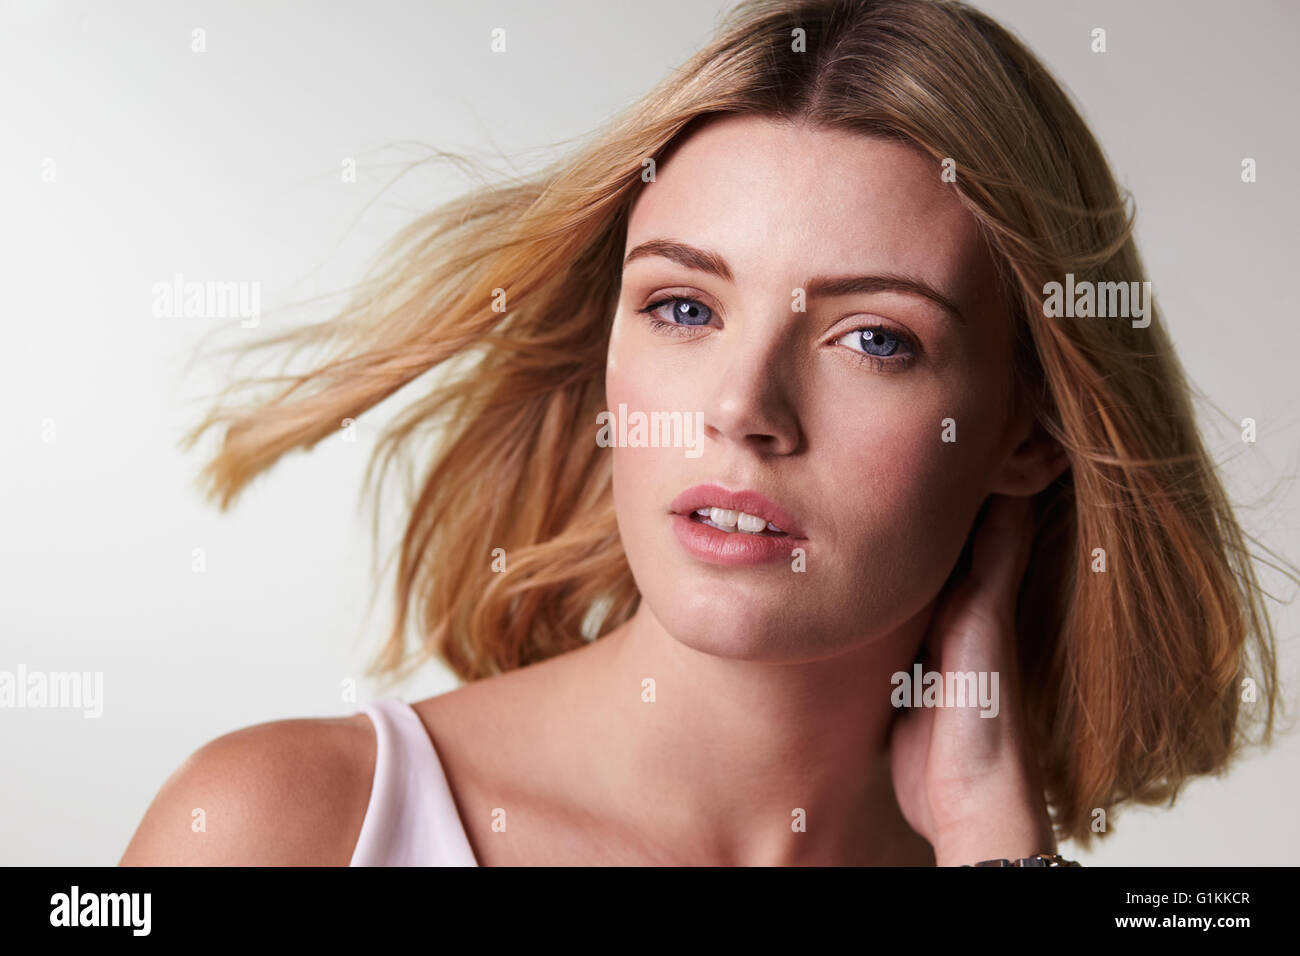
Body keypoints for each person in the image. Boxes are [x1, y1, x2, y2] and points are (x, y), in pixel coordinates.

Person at [120, 0, 1284, 866]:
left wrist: (987, 829)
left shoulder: (994, 853)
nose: (739, 408)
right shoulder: (285, 829)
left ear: (1026, 433)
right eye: (685, 307)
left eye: (873, 338)